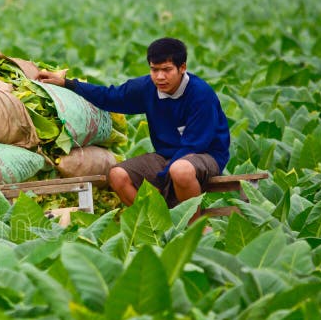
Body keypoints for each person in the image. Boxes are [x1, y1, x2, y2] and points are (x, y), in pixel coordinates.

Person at [36, 38, 230, 215]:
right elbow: (110, 96)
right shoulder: (146, 88)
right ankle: (154, 224)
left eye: (167, 70)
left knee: (180, 170)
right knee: (117, 175)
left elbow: (194, 145)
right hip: (166, 157)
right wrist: (68, 84)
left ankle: (193, 227)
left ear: (182, 68)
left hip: (204, 155)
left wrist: (161, 179)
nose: (160, 77)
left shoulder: (200, 95)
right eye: (154, 70)